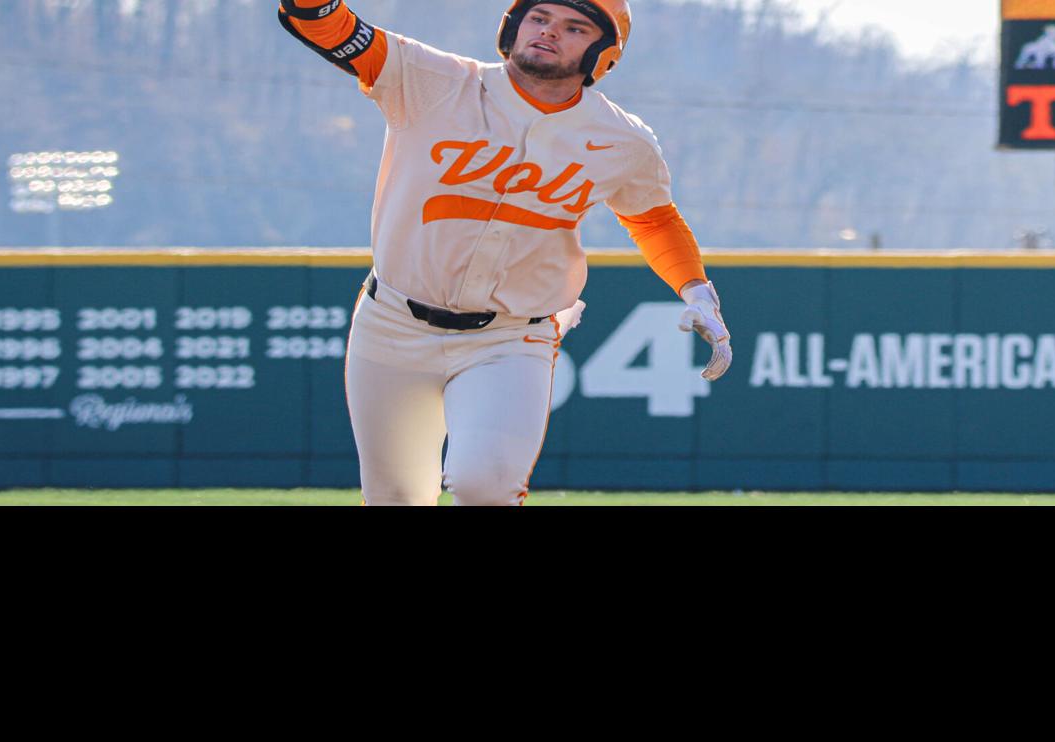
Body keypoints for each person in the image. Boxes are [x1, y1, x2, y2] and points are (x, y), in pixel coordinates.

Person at [277, 0, 731, 506]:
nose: (549, 32)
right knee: (396, 498)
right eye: (539, 18)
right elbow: (325, 25)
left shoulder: (623, 139)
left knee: (485, 486)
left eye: (575, 27)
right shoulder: (431, 78)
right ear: (512, 26)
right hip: (392, 324)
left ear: (604, 53)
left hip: (510, 336)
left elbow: (653, 218)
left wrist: (697, 290)